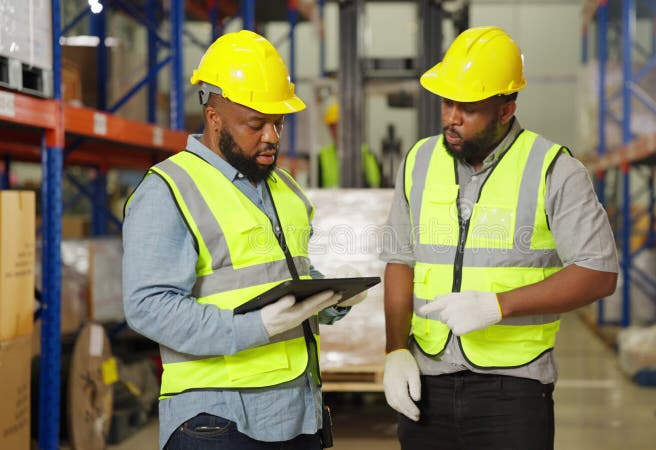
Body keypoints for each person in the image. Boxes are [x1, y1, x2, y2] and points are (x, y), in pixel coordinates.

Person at [122, 30, 366, 450]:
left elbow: (277, 274)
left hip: (298, 413)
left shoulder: (283, 187)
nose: (272, 135)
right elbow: (148, 308)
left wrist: (328, 298)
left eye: (279, 122)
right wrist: (254, 327)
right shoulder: (169, 190)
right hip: (216, 423)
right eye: (256, 123)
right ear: (213, 114)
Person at [380, 26, 618, 450]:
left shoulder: (554, 169)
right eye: (447, 102)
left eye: (467, 108)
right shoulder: (418, 161)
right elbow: (401, 261)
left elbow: (597, 272)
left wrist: (499, 305)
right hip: (426, 382)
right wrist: (395, 351)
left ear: (506, 110)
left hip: (514, 391)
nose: (451, 116)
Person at [318, 102, 382, 188]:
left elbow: (377, 187)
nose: (335, 131)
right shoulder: (322, 156)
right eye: (332, 127)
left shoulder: (368, 155)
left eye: (339, 126)